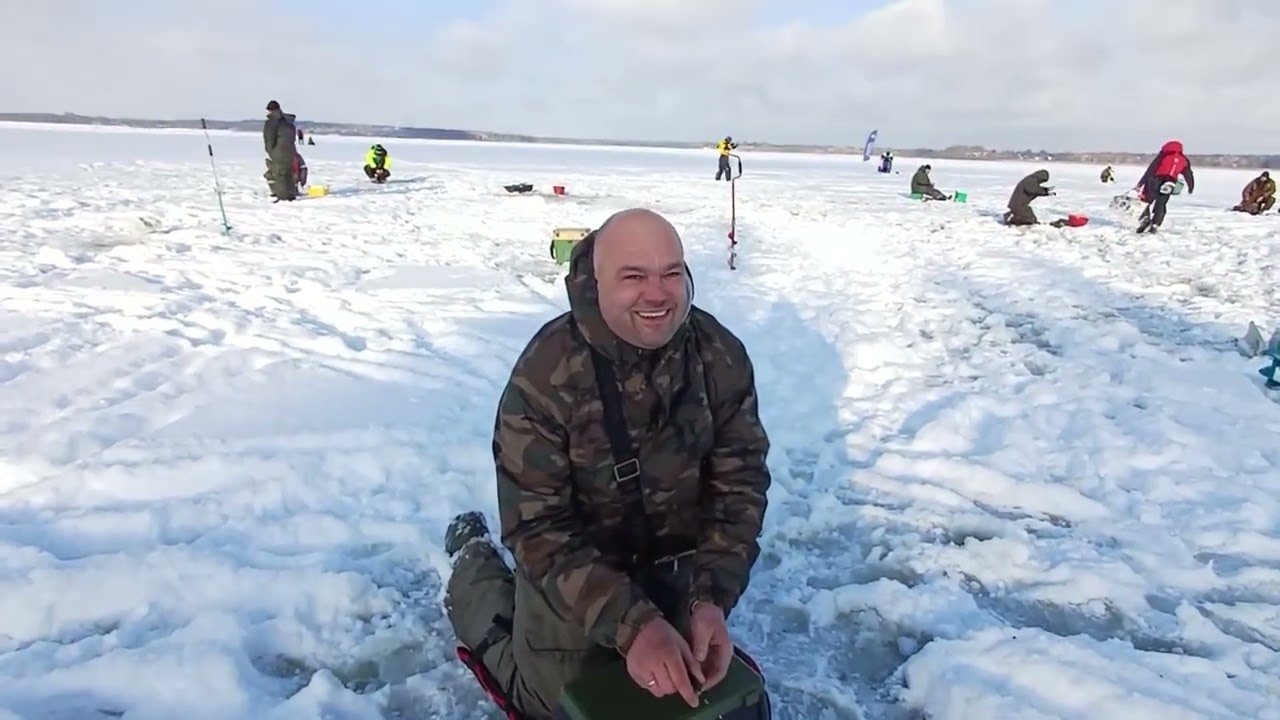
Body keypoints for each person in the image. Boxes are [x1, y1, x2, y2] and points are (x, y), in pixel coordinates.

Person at [443, 208, 773, 720]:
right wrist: (634, 625)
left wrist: (711, 598)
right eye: (634, 276)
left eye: (671, 273)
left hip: (676, 571)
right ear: (597, 283)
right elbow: (538, 529)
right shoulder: (546, 375)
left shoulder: (719, 355)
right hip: (576, 578)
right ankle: (471, 556)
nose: (657, 294)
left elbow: (740, 486)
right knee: (553, 703)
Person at [1135, 140, 1195, 233]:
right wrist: (1191, 186)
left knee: (1146, 201)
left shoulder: (1163, 156)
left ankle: (1144, 221)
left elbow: (1151, 169)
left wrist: (1141, 183)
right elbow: (1188, 174)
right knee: (1161, 203)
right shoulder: (1184, 159)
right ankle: (1156, 223)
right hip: (1169, 183)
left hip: (1155, 180)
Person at [262, 100, 298, 202]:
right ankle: (291, 194)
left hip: (279, 151)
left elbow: (269, 139)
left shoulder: (271, 122)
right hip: (290, 151)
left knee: (279, 174)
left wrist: (270, 151)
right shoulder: (288, 122)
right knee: (288, 173)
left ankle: (283, 197)